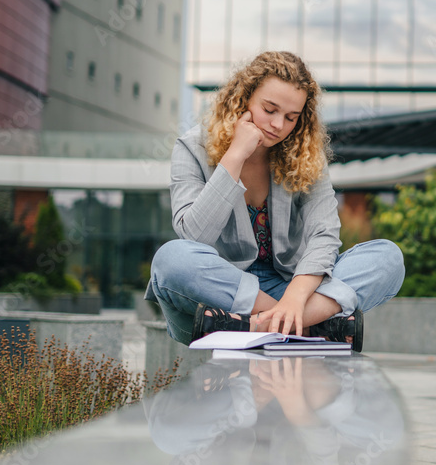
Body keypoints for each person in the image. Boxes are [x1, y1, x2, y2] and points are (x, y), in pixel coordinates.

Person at [144, 51, 405, 350]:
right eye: (270, 109)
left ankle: (266, 325)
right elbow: (194, 236)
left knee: (388, 258)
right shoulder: (192, 148)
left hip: (293, 289)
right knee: (170, 259)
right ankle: (310, 326)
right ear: (244, 98)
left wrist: (294, 298)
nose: (278, 125)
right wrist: (235, 156)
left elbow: (325, 235)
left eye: (291, 117)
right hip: (221, 290)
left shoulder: (305, 155)